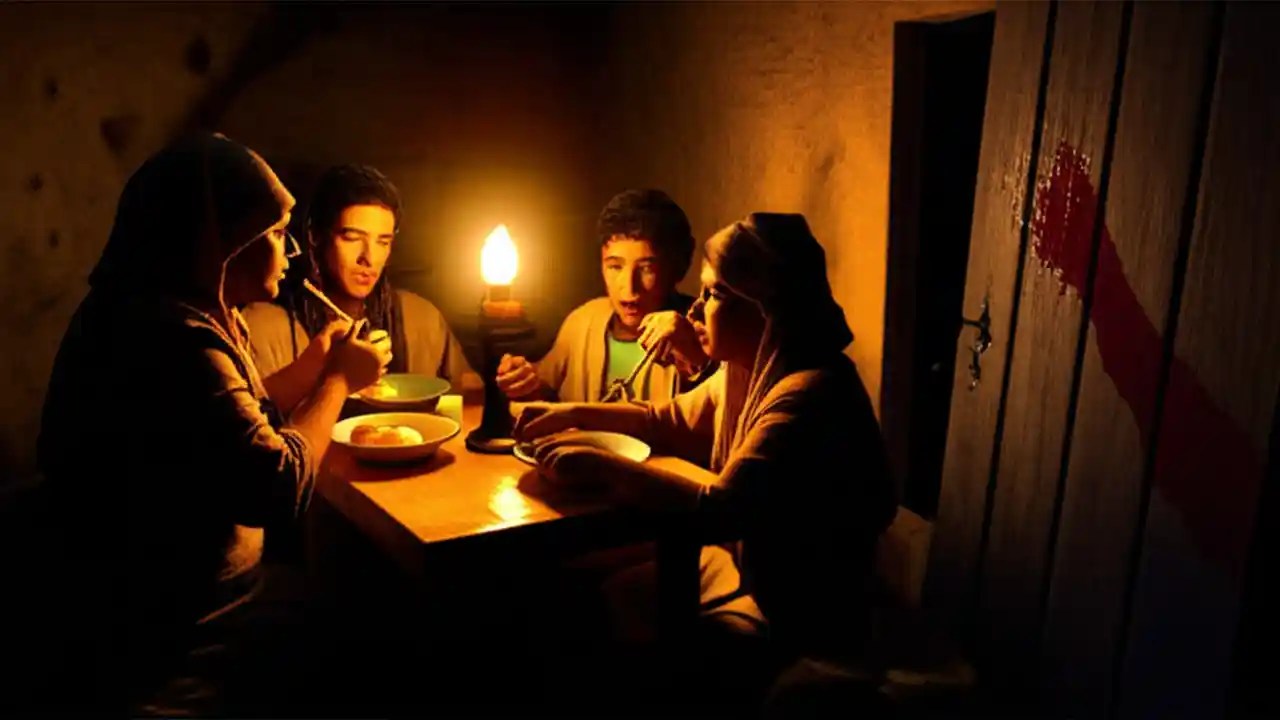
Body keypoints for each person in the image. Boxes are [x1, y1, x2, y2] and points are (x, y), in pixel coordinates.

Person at [36, 133, 390, 716]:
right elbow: (276, 486)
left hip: (184, 596)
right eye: (275, 233)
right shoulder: (175, 339)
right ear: (223, 241)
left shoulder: (164, 308)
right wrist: (337, 383)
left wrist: (312, 366)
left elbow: (227, 427)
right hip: (176, 624)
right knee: (369, 631)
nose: (289, 252)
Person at [515, 213, 897, 695]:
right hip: (750, 572)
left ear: (764, 307)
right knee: (598, 594)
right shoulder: (748, 369)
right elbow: (665, 418)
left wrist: (600, 463)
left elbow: (721, 508)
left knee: (624, 632)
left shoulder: (808, 390)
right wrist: (569, 412)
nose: (695, 310)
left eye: (714, 294)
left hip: (801, 611)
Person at [243, 164, 477, 400]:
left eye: (383, 242)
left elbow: (470, 396)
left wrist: (499, 378)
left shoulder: (420, 319)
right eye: (352, 238)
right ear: (316, 236)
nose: (369, 258)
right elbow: (246, 414)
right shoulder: (265, 328)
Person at [497, 189, 715, 403]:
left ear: (678, 267)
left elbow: (722, 404)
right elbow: (544, 391)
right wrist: (522, 381)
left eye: (646, 268)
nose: (629, 287)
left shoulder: (704, 330)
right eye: (615, 266)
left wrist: (694, 356)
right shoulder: (584, 322)